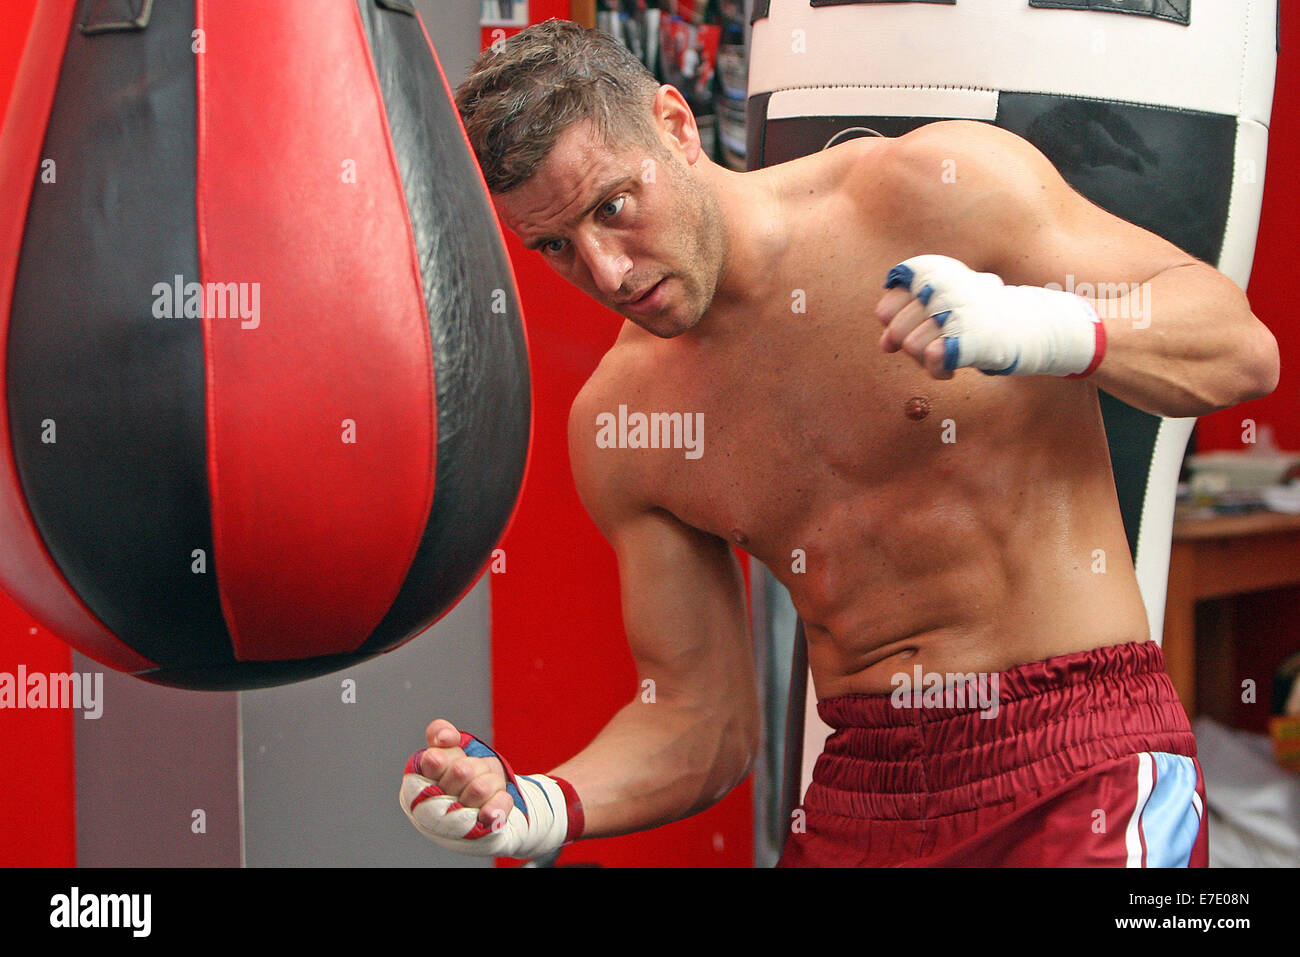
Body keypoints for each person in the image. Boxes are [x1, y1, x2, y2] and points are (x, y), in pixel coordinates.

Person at [398, 19, 1279, 866]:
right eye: (555, 244)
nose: (607, 271)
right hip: (862, 792)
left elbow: (1240, 349)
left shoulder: (931, 191)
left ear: (675, 125)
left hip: (1078, 764)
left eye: (614, 206)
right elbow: (700, 721)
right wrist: (535, 804)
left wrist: (1046, 325)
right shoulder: (624, 426)